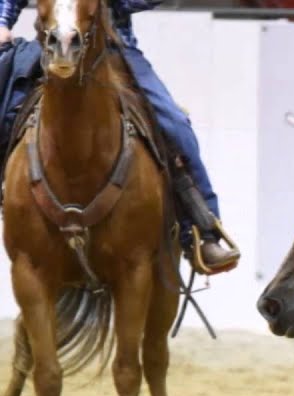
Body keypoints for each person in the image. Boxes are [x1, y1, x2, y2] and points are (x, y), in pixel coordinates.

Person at [0, 0, 239, 274]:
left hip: (113, 51)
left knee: (175, 125)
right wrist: (2, 22)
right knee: (6, 106)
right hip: (53, 47)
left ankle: (203, 230)